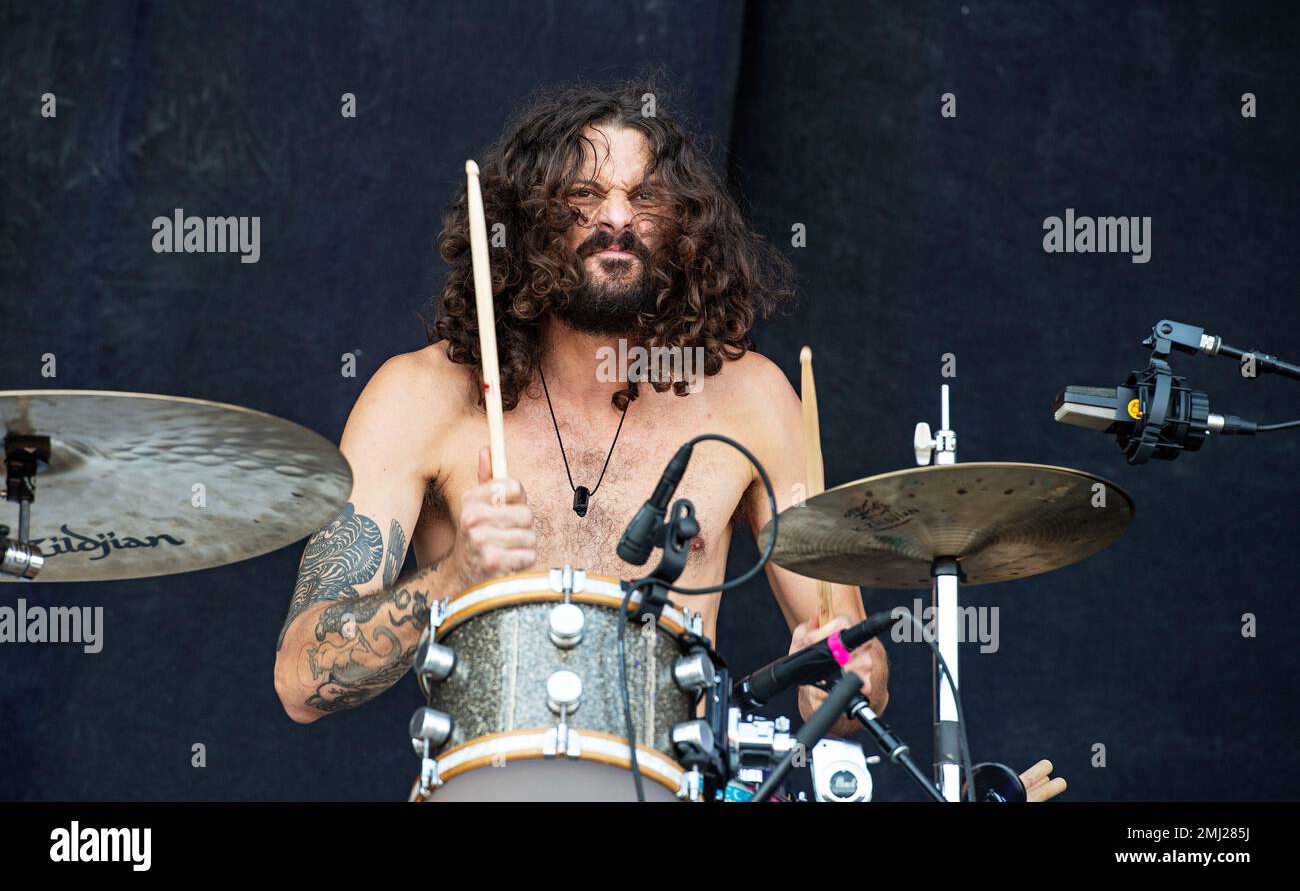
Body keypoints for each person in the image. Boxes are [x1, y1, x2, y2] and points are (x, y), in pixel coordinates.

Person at [272, 80, 1064, 801]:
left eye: (643, 197)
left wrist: (849, 680)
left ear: (684, 228)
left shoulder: (749, 399)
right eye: (584, 194)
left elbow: (858, 683)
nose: (616, 217)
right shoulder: (420, 396)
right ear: (524, 222)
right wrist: (452, 576)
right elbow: (301, 680)